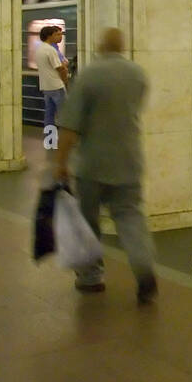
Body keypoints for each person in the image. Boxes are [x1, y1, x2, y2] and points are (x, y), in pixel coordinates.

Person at [54, 27, 158, 303]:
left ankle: (91, 277)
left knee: (88, 222)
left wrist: (61, 162)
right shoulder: (137, 74)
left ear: (101, 46)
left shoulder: (89, 75)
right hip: (129, 160)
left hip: (92, 164)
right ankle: (143, 266)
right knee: (131, 218)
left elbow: (70, 126)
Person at [35, 25, 69, 128]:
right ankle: (65, 139)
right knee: (64, 114)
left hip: (46, 86)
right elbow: (60, 68)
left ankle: (50, 139)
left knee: (49, 114)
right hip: (56, 86)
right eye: (56, 34)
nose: (59, 37)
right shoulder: (50, 50)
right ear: (49, 36)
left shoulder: (39, 49)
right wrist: (65, 81)